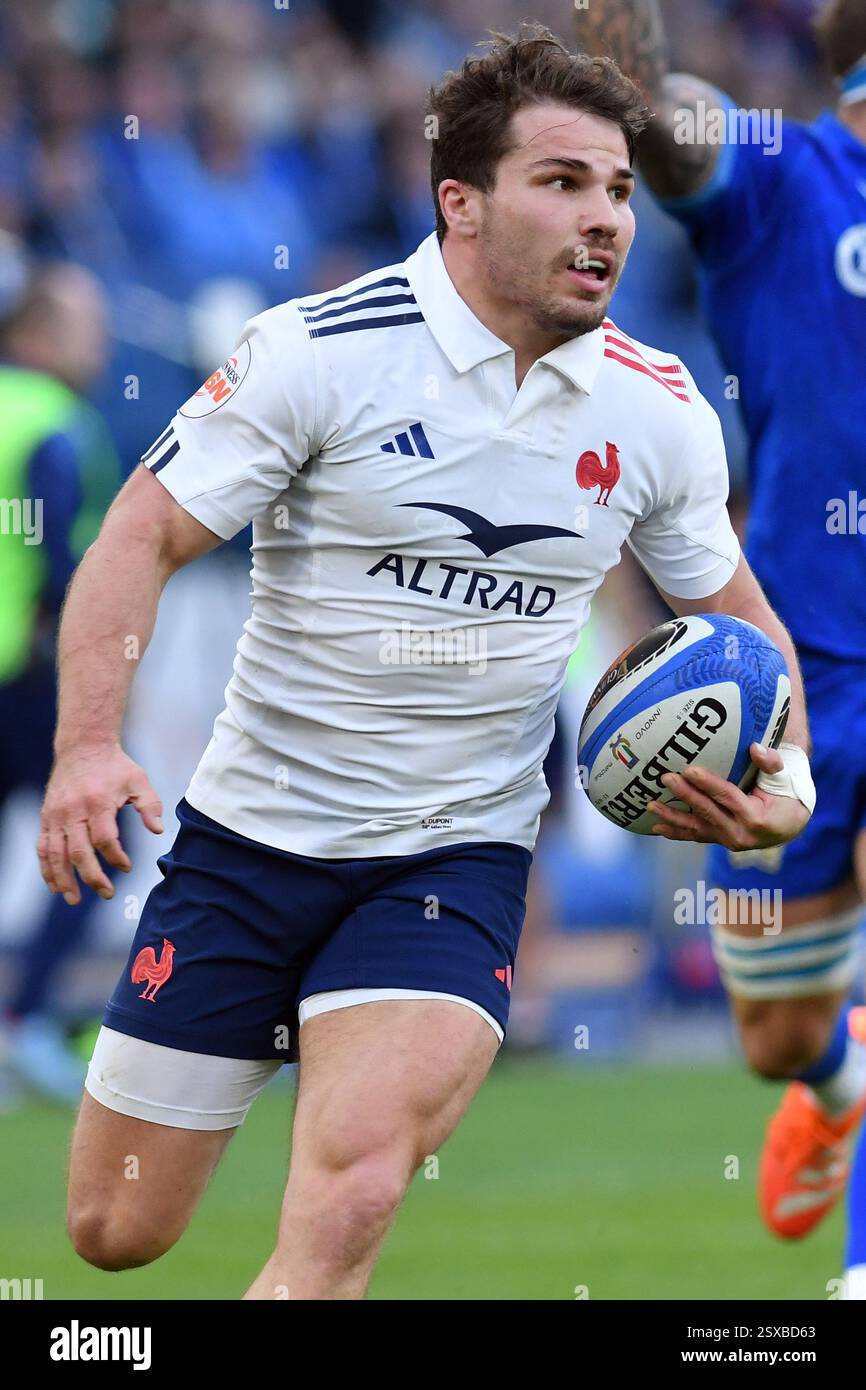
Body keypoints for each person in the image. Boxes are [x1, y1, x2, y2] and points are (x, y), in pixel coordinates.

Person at [41, 26, 814, 1300]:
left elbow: (745, 632)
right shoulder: (322, 351)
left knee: (349, 1191)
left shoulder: (657, 406)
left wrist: (776, 784)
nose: (605, 218)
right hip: (247, 845)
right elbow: (141, 530)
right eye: (561, 183)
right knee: (115, 1229)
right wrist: (86, 744)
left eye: (618, 189)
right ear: (458, 201)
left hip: (453, 857)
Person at [574, 0, 866, 1268]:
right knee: (777, 1037)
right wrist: (630, 51)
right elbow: (667, 129)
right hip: (791, 670)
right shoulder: (787, 172)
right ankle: (834, 1082)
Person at [0, 258, 120, 1103]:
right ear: (37, 335)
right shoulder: (54, 420)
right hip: (28, 672)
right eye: (85, 326)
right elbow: (58, 563)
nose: (101, 344)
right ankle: (31, 1021)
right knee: (104, 828)